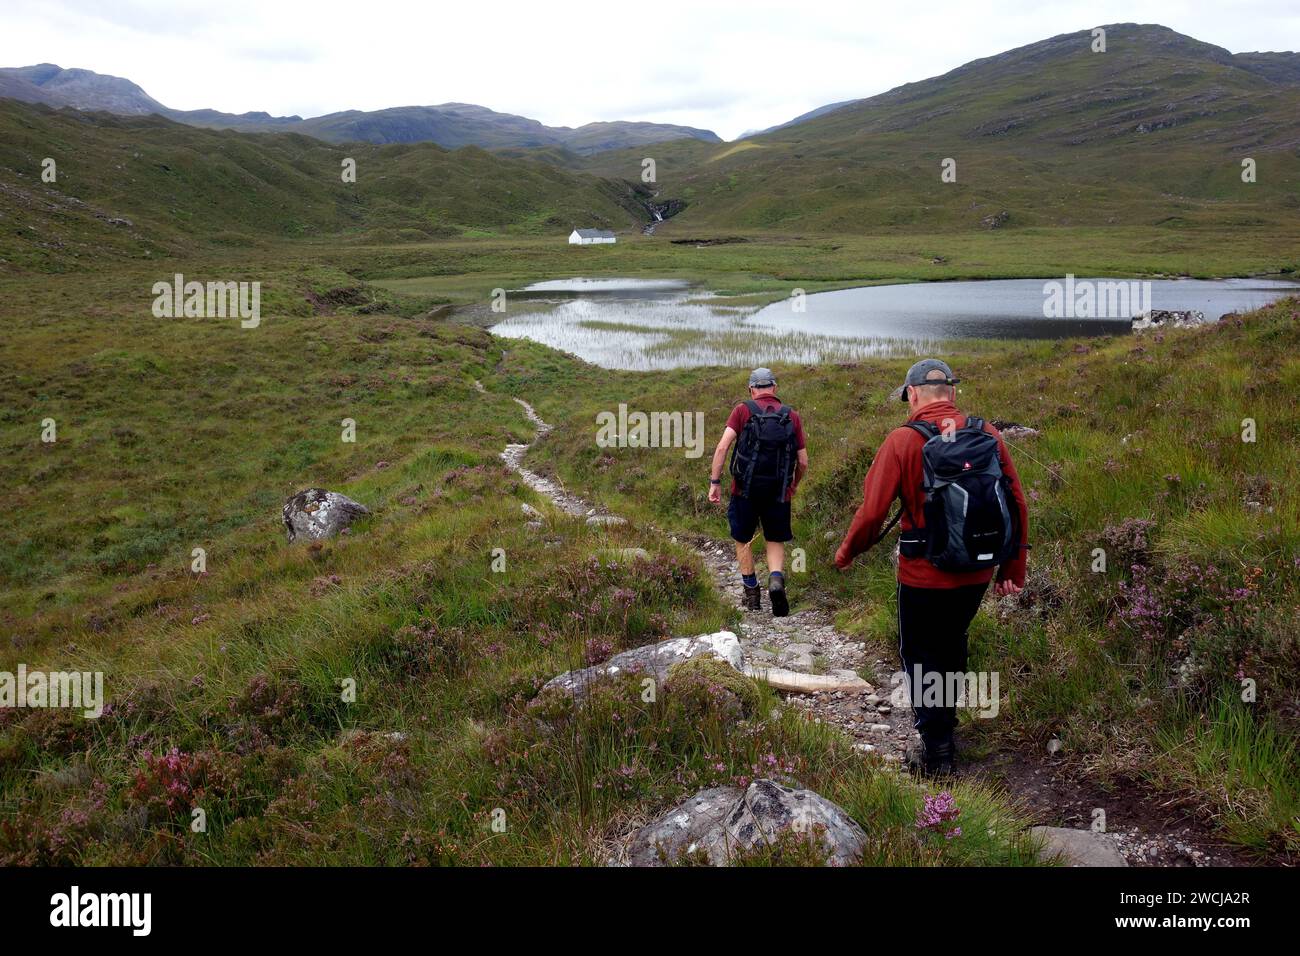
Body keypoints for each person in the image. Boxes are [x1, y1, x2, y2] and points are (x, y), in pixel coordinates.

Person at [834, 359, 1029, 776]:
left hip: (923, 575)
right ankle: (945, 725)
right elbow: (1017, 502)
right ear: (952, 393)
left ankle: (938, 752)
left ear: (911, 394)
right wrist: (1013, 568)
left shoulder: (902, 441)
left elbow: (871, 515)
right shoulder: (988, 434)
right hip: (977, 572)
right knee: (952, 642)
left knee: (920, 655)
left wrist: (847, 553)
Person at [708, 368, 809, 617]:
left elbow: (722, 448)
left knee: (743, 539)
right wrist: (793, 484)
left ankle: (752, 593)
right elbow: (804, 461)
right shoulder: (791, 416)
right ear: (774, 388)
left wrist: (715, 481)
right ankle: (776, 580)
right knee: (774, 539)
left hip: (744, 490)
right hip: (778, 492)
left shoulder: (742, 410)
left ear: (751, 389)